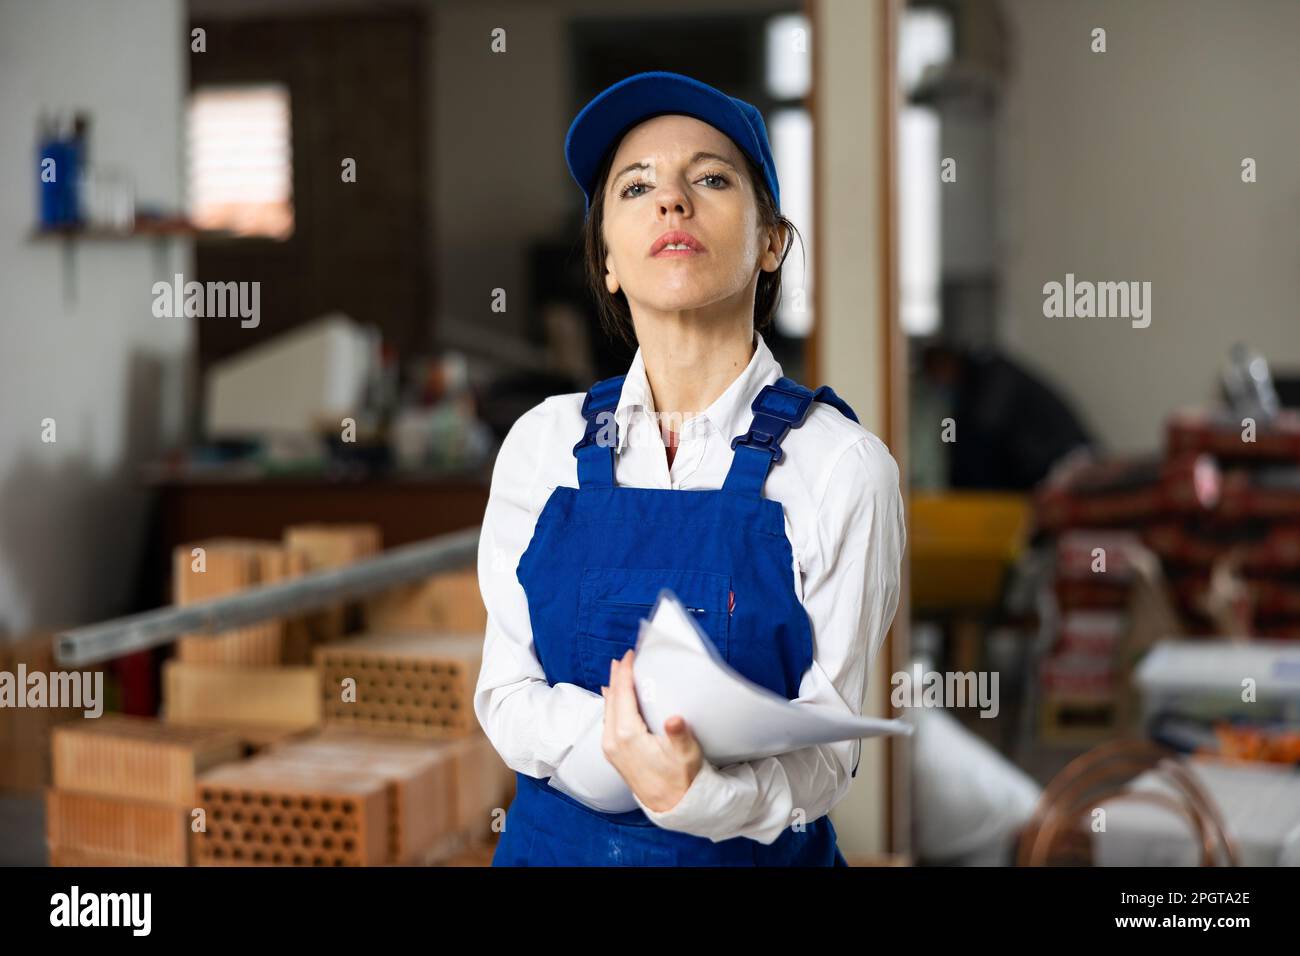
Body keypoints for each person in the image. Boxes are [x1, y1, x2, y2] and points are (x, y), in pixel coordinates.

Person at [474, 71, 906, 866]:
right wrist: (629, 750)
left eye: (710, 178)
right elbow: (505, 697)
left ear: (772, 238)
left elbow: (829, 753)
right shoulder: (541, 446)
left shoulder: (843, 467)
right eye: (636, 187)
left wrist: (699, 794)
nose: (672, 201)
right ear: (606, 256)